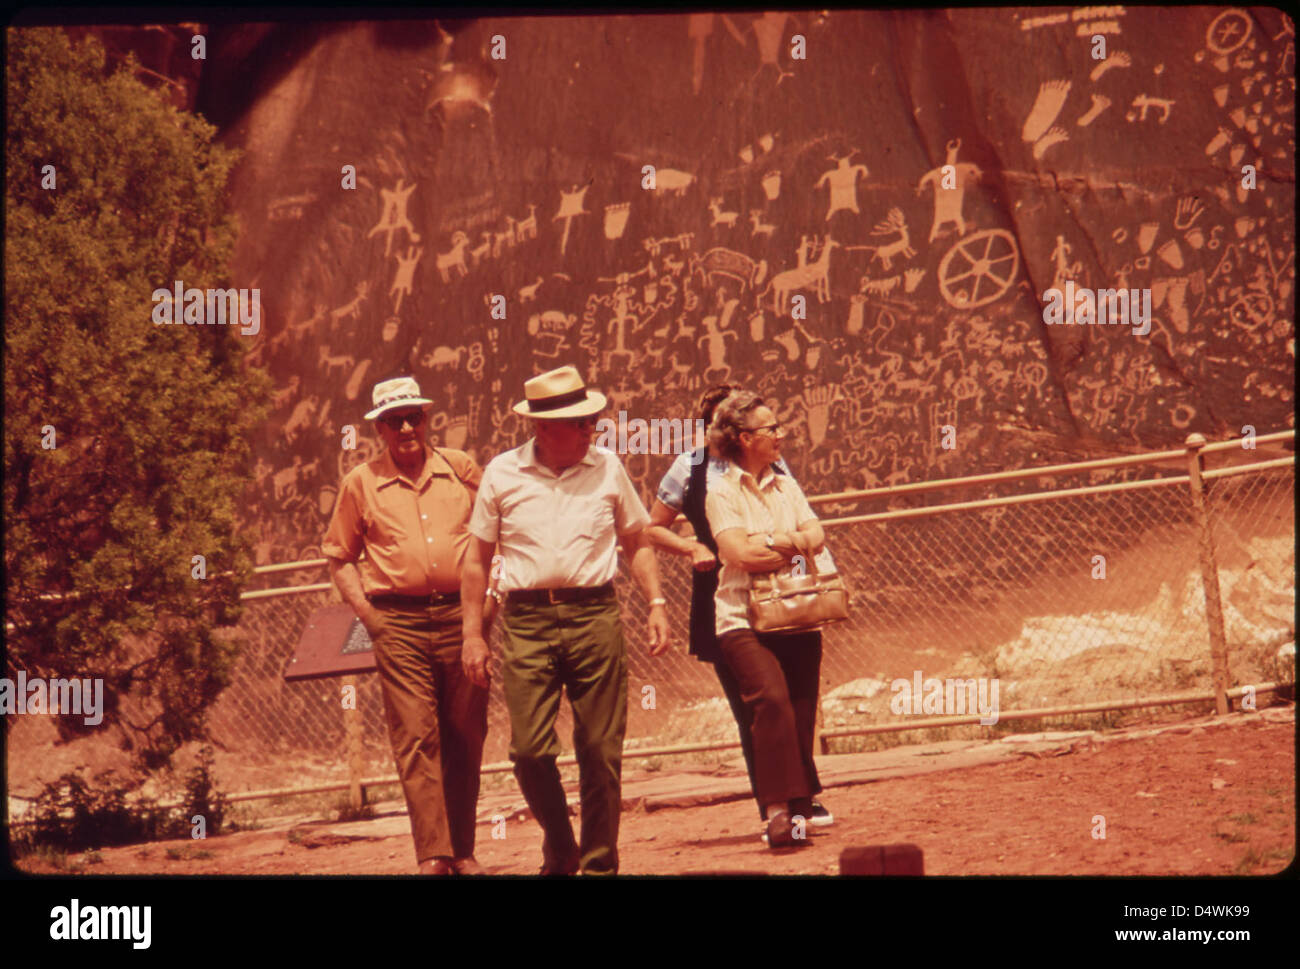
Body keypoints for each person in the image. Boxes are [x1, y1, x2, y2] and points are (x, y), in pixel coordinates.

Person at [459, 364, 671, 875]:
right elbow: (476, 559)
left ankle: (599, 866)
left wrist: (657, 603)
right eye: (578, 422)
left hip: (594, 615)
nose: (589, 430)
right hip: (526, 622)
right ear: (542, 428)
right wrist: (472, 635)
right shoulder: (501, 473)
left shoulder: (607, 467)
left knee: (600, 749)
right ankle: (561, 842)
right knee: (529, 751)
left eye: (590, 420)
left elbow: (637, 540)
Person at [644, 386, 832, 840]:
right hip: (724, 597)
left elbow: (807, 529)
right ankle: (773, 805)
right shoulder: (693, 470)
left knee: (792, 702)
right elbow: (653, 529)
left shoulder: (776, 470)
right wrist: (693, 546)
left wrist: (774, 549)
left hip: (784, 592)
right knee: (760, 703)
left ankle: (799, 796)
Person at [322, 376, 492, 876]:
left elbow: (496, 535)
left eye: (412, 416)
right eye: (393, 420)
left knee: (465, 732)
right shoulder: (361, 482)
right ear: (379, 428)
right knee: (417, 737)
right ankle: (433, 855)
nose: (405, 427)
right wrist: (371, 618)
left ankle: (463, 850)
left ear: (426, 418)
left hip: (465, 620)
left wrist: (488, 606)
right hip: (399, 623)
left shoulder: (461, 470)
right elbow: (339, 557)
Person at [704, 390, 832, 849]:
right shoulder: (720, 491)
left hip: (798, 611)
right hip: (742, 618)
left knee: (799, 712)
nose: (781, 434)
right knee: (771, 703)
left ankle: (800, 810)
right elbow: (739, 553)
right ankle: (776, 810)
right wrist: (793, 542)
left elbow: (817, 533)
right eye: (770, 429)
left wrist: (774, 542)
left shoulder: (786, 483)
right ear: (743, 438)